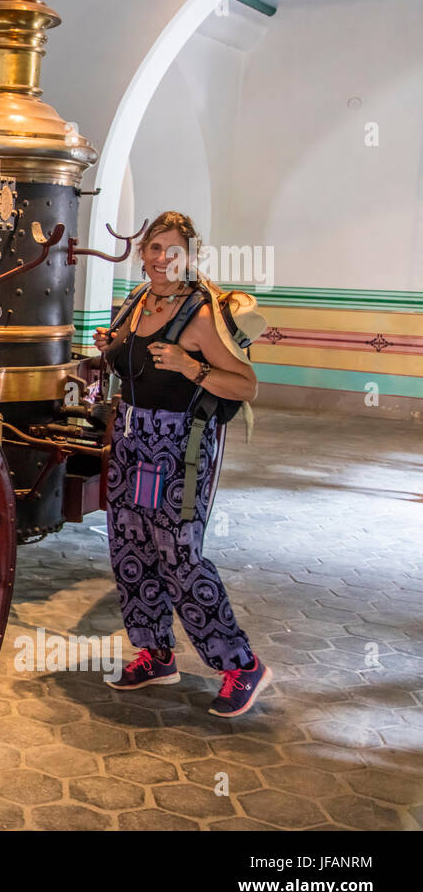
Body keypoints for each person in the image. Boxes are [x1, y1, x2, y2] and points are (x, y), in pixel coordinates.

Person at [93, 211, 271, 717]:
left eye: (172, 250)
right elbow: (134, 366)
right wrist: (111, 348)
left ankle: (241, 664)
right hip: (131, 439)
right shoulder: (136, 301)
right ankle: (155, 654)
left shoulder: (197, 314)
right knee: (130, 548)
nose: (160, 259)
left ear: (190, 257)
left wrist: (192, 365)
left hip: (181, 448)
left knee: (180, 557)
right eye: (153, 247)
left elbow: (244, 385)